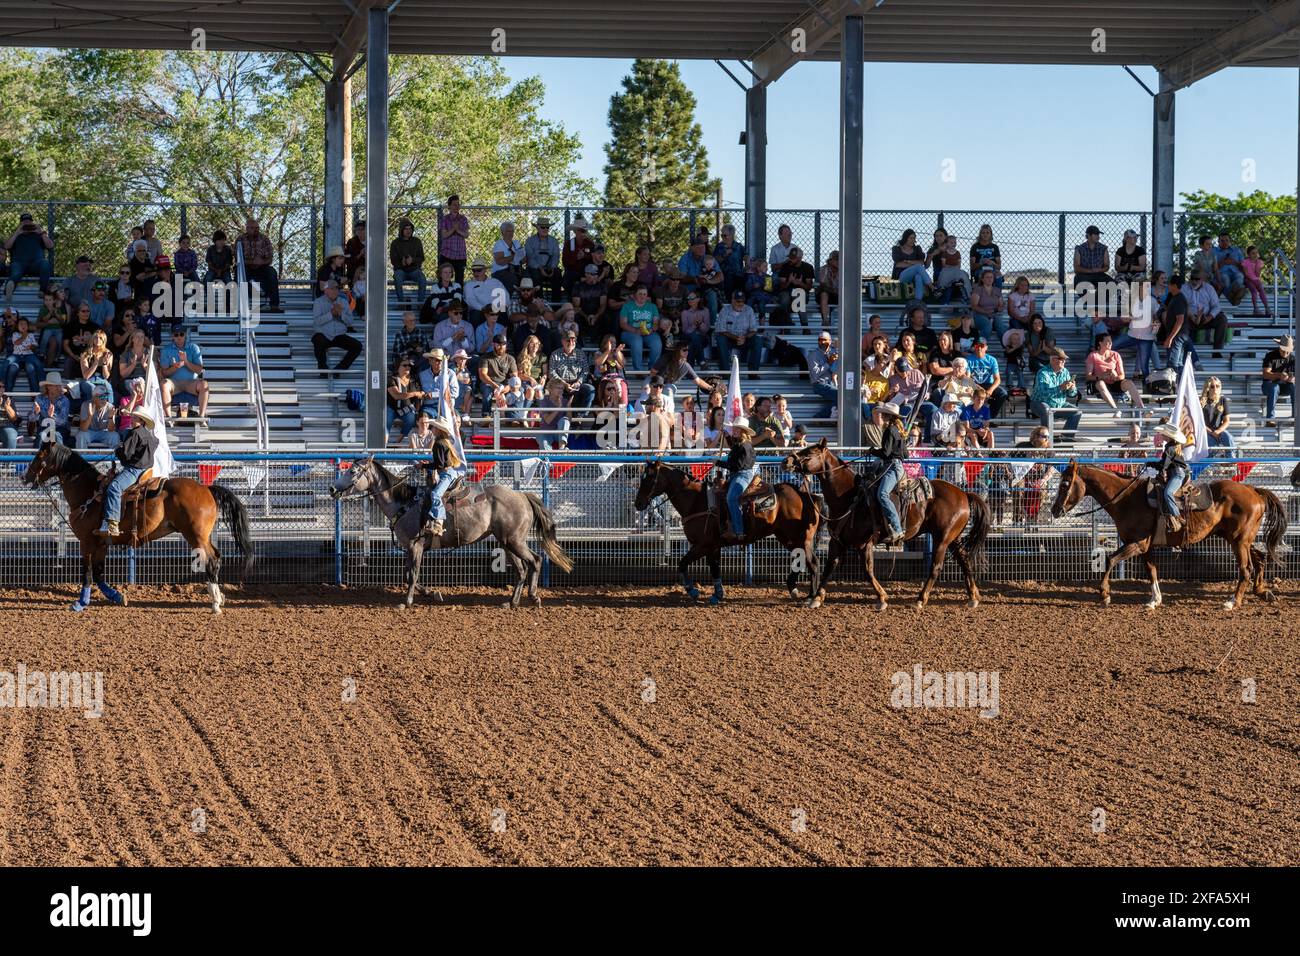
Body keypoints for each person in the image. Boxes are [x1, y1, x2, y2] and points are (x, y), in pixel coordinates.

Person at [96, 409, 158, 538]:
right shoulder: (149, 435)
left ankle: (113, 524)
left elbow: (125, 454)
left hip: (134, 470)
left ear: (141, 421)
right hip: (146, 469)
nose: (132, 418)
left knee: (114, 488)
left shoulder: (134, 433)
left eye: (135, 417)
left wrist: (118, 449)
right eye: (133, 416)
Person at [867, 402, 908, 545]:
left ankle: (897, 528)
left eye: (883, 413)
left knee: (882, 494)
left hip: (892, 466)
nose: (881, 415)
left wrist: (873, 451)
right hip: (898, 466)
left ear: (887, 416)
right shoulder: (898, 430)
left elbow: (886, 453)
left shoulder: (890, 430)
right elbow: (906, 455)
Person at [419, 417, 467, 538]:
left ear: (438, 430)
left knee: (435, 494)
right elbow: (441, 462)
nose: (432, 428)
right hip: (450, 472)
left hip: (446, 475)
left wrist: (423, 465)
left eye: (434, 427)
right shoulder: (445, 442)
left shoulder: (438, 444)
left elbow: (439, 465)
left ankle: (439, 523)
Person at [1084, 333, 1143, 417]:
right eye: (1108, 341)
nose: (1111, 343)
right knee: (1100, 383)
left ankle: (1142, 408)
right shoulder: (1093, 355)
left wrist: (1115, 376)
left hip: (1114, 381)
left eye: (1111, 340)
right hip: (1100, 383)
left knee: (1129, 382)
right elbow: (1088, 376)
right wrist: (1101, 376)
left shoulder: (1115, 355)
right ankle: (1116, 410)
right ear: (1100, 343)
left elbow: (1122, 375)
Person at [720, 417, 758, 543]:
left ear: (742, 431)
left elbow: (738, 465)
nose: (734, 430)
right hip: (737, 474)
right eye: (734, 428)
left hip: (743, 475)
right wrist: (726, 436)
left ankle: (739, 531)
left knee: (731, 498)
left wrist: (718, 463)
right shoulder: (741, 444)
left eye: (736, 429)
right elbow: (735, 453)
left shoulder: (745, 446)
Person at [3, 212, 54, 304]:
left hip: (36, 264)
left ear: (32, 223)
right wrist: (18, 232)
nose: (27, 224)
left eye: (29, 222)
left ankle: (42, 290)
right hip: (19, 263)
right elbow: (7, 246)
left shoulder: (38, 235)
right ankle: (9, 288)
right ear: (20, 223)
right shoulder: (16, 235)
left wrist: (41, 232)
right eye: (24, 222)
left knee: (45, 264)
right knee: (15, 272)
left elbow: (50, 246)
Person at [1032, 347, 1081, 440]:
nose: (1064, 361)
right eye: (1061, 359)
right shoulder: (1043, 372)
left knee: (1077, 412)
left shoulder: (1065, 372)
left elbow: (1071, 394)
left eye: (1064, 359)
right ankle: (1046, 439)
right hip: (1039, 403)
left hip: (1059, 404)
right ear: (1053, 359)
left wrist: (1072, 388)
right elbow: (1043, 393)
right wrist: (1060, 388)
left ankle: (1067, 438)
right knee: (1047, 410)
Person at [311, 280, 362, 370]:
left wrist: (341, 314)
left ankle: (339, 370)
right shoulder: (318, 302)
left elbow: (350, 321)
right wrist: (331, 314)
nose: (335, 291)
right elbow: (317, 321)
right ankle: (323, 370)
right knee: (317, 340)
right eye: (332, 289)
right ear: (326, 290)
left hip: (339, 335)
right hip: (324, 334)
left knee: (357, 346)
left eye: (337, 288)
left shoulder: (343, 301)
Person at [160, 325, 209, 417]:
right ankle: (168, 418)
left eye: (181, 334)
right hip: (174, 384)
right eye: (176, 335)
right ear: (172, 336)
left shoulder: (193, 348)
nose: (179, 337)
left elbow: (199, 370)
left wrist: (186, 362)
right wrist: (175, 367)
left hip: (191, 383)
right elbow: (164, 373)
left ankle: (201, 417)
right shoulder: (166, 349)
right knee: (164, 384)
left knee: (204, 384)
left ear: (185, 335)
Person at [1150, 423, 1191, 533]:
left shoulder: (1169, 448)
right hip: (1177, 472)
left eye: (1163, 434)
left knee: (1168, 493)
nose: (1162, 435)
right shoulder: (1173, 447)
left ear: (1168, 436)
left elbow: (1164, 466)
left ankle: (1178, 517)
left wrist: (1151, 464)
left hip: (1177, 474)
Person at [237, 219, 283, 312]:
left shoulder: (265, 239)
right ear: (247, 228)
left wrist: (261, 262)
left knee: (272, 272)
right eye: (254, 228)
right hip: (246, 267)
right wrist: (252, 261)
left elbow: (270, 259)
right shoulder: (240, 240)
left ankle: (274, 305)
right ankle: (241, 304)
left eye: (257, 228)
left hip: (262, 266)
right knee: (239, 273)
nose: (256, 230)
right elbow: (237, 258)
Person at [714, 289, 761, 371]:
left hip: (745, 339)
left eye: (742, 301)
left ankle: (753, 372)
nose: (740, 303)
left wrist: (744, 338)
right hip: (730, 339)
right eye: (738, 301)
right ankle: (725, 371)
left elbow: (753, 330)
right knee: (720, 339)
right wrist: (736, 338)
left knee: (758, 340)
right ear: (732, 300)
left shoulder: (749, 310)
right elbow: (721, 330)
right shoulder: (725, 310)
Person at [389, 218, 427, 302]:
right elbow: (393, 260)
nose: (408, 231)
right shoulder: (395, 243)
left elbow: (421, 258)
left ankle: (420, 303)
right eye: (406, 229)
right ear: (401, 230)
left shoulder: (417, 241)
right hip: (400, 270)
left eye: (410, 228)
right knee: (397, 278)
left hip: (414, 270)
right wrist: (402, 262)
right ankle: (401, 303)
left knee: (422, 279)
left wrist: (412, 260)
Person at [524, 217, 562, 300]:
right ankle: (540, 303)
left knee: (557, 274)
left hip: (549, 268)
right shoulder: (530, 241)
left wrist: (552, 267)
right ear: (537, 228)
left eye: (547, 227)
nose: (545, 229)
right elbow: (530, 258)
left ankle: (556, 305)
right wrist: (540, 268)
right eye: (542, 227)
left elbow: (556, 256)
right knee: (535, 275)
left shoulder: (554, 241)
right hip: (535, 268)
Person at [29, 372, 71, 445]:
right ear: (48, 387)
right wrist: (36, 412)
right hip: (44, 428)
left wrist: (51, 416)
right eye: (55, 385)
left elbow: (63, 421)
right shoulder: (39, 398)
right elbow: (31, 419)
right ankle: (37, 456)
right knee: (41, 436)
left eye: (59, 385)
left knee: (55, 436)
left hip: (60, 429)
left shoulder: (64, 400)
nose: (58, 388)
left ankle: (58, 456)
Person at [1261, 335, 1295, 427]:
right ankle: (1270, 419)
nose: (1286, 352)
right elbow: (1265, 374)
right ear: (1279, 346)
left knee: (1295, 387)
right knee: (1274, 387)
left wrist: (1293, 379)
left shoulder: (1292, 358)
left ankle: (1296, 417)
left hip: (1284, 386)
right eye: (1284, 349)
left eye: (1288, 350)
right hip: (1269, 385)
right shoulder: (1270, 356)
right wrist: (1279, 375)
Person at [387, 358, 421, 442]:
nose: (407, 367)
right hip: (392, 408)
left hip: (407, 409)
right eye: (405, 365)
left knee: (411, 419)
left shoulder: (414, 380)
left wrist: (417, 409)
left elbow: (419, 396)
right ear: (398, 367)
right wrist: (414, 393)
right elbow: (396, 395)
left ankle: (397, 442)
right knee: (386, 420)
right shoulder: (392, 379)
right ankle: (383, 445)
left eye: (409, 365)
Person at [76, 383, 119, 449]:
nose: (104, 399)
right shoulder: (86, 405)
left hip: (104, 431)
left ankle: (113, 457)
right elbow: (83, 429)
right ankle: (81, 458)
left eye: (105, 396)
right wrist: (90, 416)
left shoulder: (110, 407)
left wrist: (110, 418)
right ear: (94, 398)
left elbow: (111, 430)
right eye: (101, 397)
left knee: (115, 436)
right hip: (89, 431)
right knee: (81, 435)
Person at [892, 230, 931, 301]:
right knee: (918, 267)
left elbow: (921, 262)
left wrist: (908, 262)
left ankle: (918, 301)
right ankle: (932, 287)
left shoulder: (917, 249)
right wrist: (914, 264)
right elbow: (898, 264)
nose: (913, 240)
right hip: (903, 276)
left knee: (918, 277)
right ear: (905, 238)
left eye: (914, 238)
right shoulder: (897, 249)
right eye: (911, 238)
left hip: (915, 275)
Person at [438, 195, 469, 284]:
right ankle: (443, 296)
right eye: (454, 204)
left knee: (459, 279)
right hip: (447, 254)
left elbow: (466, 234)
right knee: (444, 279)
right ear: (449, 206)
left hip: (460, 255)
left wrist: (457, 230)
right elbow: (444, 235)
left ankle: (458, 297)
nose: (457, 207)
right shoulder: (445, 219)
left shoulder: (463, 219)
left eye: (458, 204)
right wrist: (453, 229)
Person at [1072, 224, 1110, 294]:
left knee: (1112, 284)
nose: (1098, 236)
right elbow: (1076, 268)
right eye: (1095, 234)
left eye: (1098, 234)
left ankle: (1100, 298)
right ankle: (1089, 299)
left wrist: (1099, 270)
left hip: (1099, 275)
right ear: (1088, 235)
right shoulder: (1079, 249)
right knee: (1079, 284)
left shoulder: (1103, 248)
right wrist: (1091, 271)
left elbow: (1107, 266)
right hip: (1083, 275)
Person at [1200, 376, 1234, 452]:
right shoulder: (1201, 401)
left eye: (1217, 386)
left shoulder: (1223, 400)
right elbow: (1198, 422)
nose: (1215, 388)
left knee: (1228, 437)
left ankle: (1231, 459)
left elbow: (1227, 420)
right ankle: (1208, 463)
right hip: (1205, 431)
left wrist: (1218, 431)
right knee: (1213, 447)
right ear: (1207, 388)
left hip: (1218, 430)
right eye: (1212, 386)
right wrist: (1211, 432)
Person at [1213, 232, 1247, 305]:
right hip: (1222, 273)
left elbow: (1244, 265)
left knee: (1240, 277)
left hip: (1236, 272)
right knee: (1225, 278)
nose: (1225, 242)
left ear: (1230, 241)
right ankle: (1234, 298)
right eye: (1222, 241)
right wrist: (1222, 262)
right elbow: (1212, 268)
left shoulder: (1237, 250)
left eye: (1227, 240)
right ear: (1218, 242)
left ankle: (1233, 296)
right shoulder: (1214, 251)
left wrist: (1235, 262)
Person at [0, 382, 19, 449]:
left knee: (11, 436)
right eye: (0, 386)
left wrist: (7, 407)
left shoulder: (8, 399)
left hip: (6, 426)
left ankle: (9, 459)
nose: (1, 389)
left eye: (3, 387)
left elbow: (14, 418)